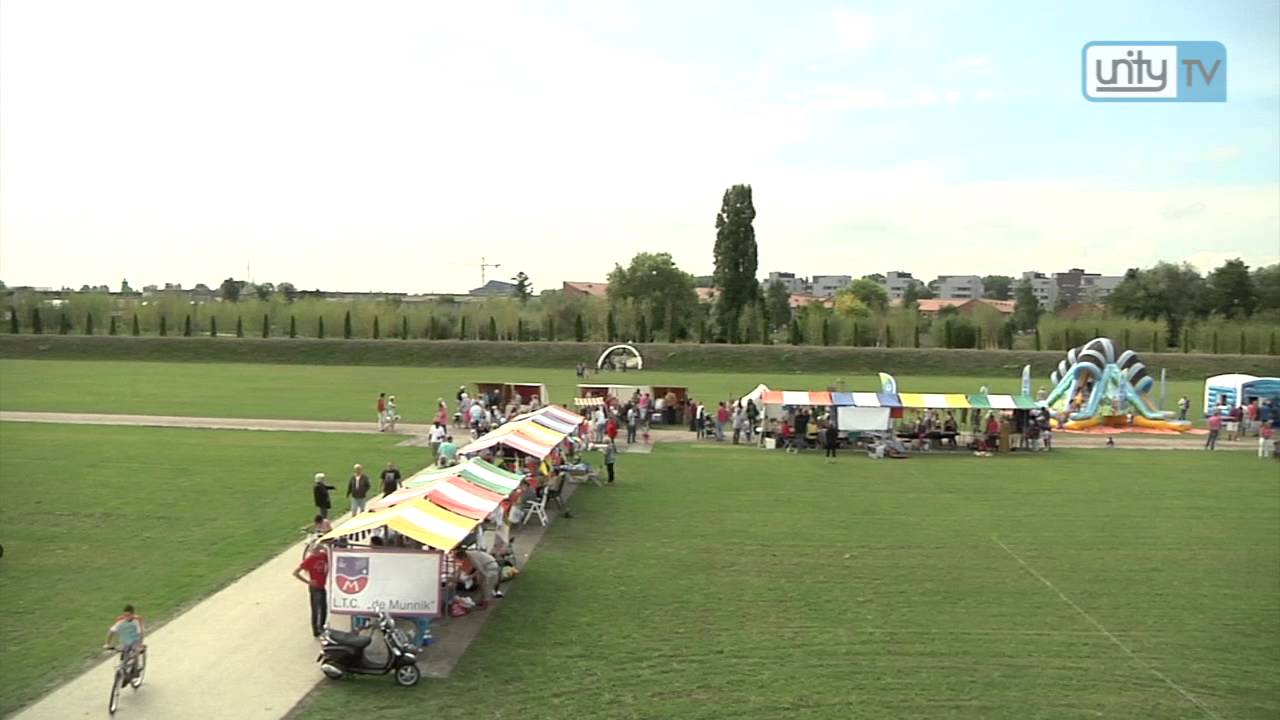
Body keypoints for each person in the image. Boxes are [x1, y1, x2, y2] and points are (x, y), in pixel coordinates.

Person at [293, 544, 329, 637]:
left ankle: (322, 626)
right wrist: (308, 582)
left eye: (318, 549)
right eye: (314, 550)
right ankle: (316, 629)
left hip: (322, 585)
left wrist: (324, 548)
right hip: (315, 587)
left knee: (324, 607)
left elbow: (330, 558)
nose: (316, 551)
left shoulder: (323, 556)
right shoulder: (309, 560)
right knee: (316, 609)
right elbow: (296, 572)